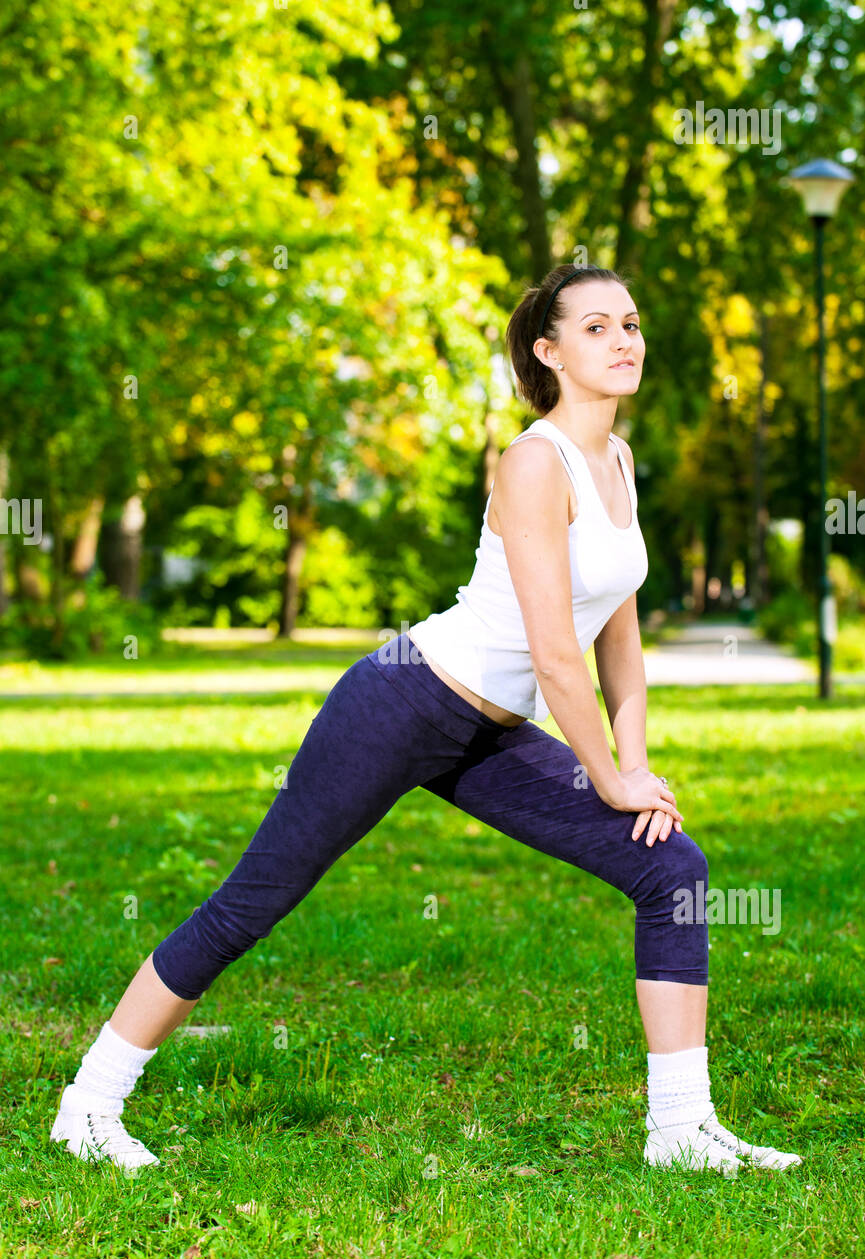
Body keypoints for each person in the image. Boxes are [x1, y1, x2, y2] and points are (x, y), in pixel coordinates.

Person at [51, 263, 801, 1175]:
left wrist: (635, 768)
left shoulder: (617, 461)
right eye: (596, 327)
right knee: (254, 904)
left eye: (631, 323)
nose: (624, 341)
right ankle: (88, 1105)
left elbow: (617, 637)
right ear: (549, 351)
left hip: (486, 734)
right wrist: (606, 774)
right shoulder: (533, 463)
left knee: (672, 866)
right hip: (405, 699)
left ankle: (680, 1128)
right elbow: (553, 651)